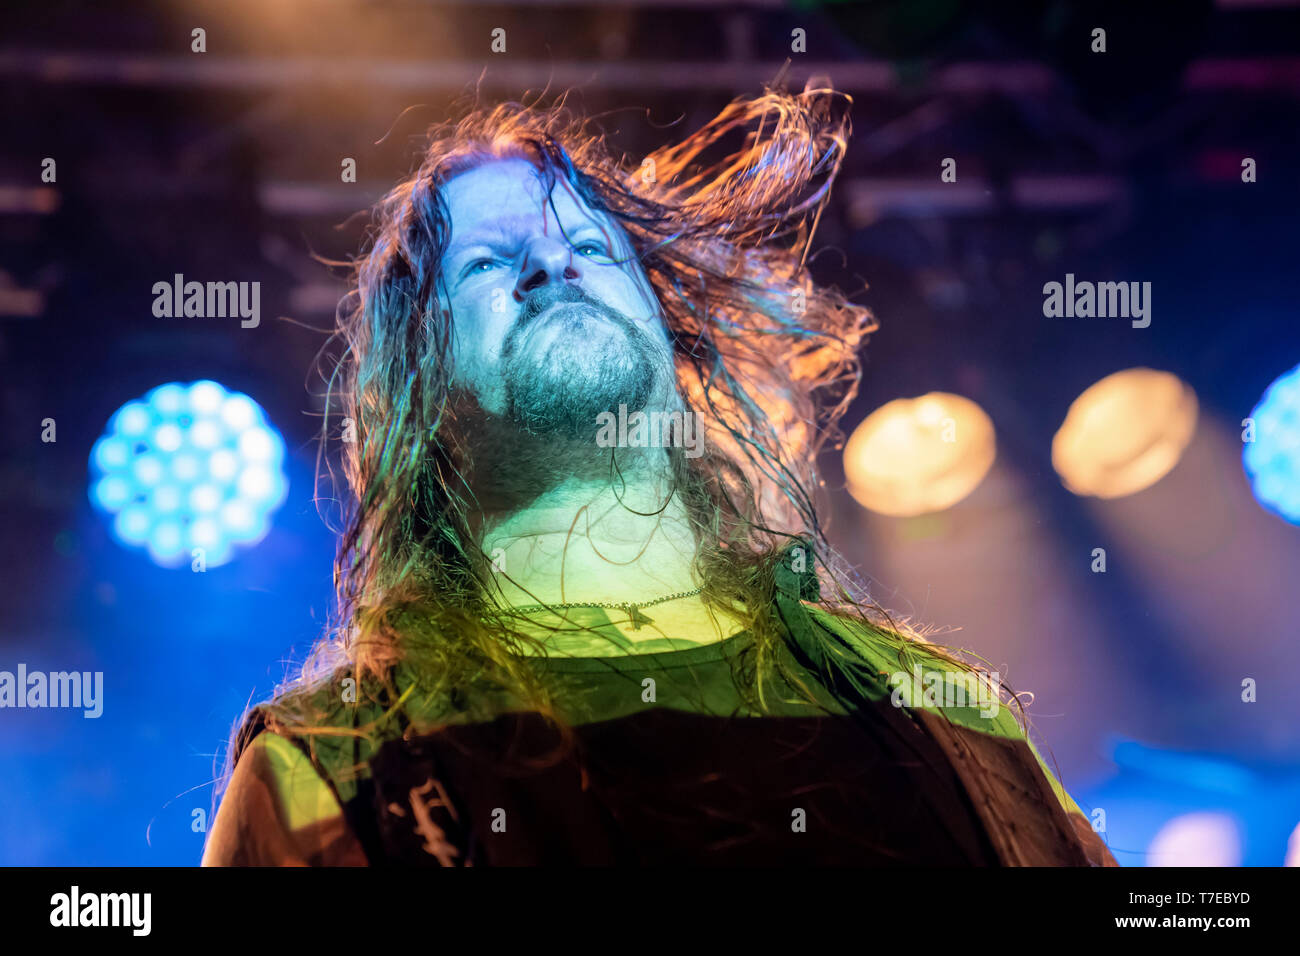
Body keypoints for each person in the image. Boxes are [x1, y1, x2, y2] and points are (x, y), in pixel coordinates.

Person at [202, 84, 1117, 866]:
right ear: (423, 393)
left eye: (593, 247)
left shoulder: (946, 716)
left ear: (678, 358)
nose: (550, 264)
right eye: (485, 260)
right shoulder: (332, 773)